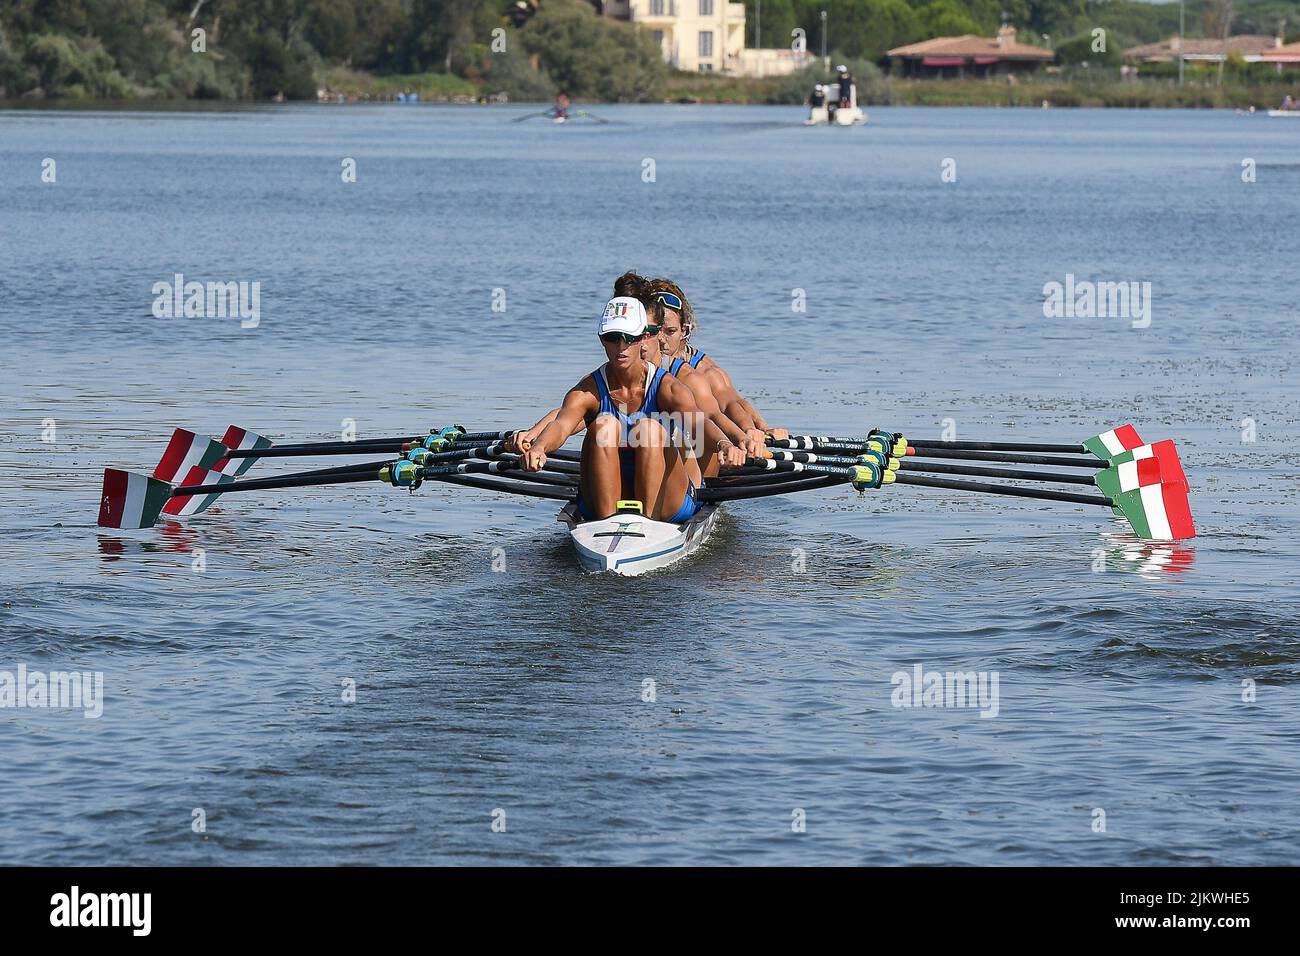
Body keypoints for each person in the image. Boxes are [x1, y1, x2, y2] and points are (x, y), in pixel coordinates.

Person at [518, 297, 743, 522]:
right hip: (605, 497)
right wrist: (539, 448)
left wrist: (724, 444)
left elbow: (698, 423)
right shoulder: (588, 390)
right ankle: (607, 524)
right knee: (603, 426)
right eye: (613, 338)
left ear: (644, 338)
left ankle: (649, 524)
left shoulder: (668, 387)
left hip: (667, 500)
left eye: (630, 338)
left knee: (648, 429)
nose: (621, 347)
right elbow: (561, 424)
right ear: (601, 340)